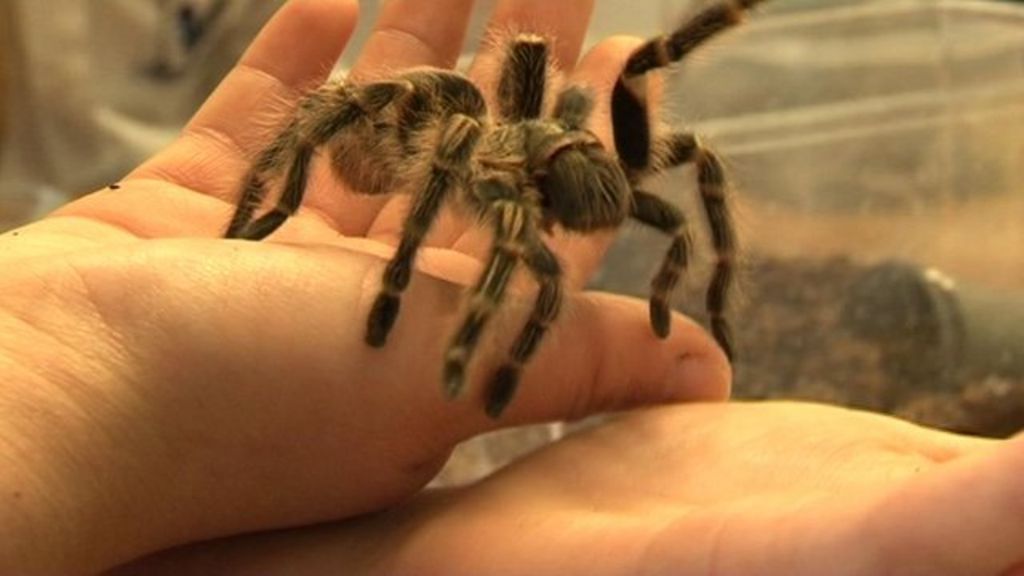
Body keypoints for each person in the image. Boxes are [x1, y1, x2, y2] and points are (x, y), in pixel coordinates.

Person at [0, 0, 1021, 574]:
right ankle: (313, 235)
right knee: (428, 109)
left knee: (660, 111)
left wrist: (690, 281)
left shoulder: (592, 157)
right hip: (404, 146)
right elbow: (496, 220)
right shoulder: (478, 153)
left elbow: (655, 123)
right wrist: (409, 291)